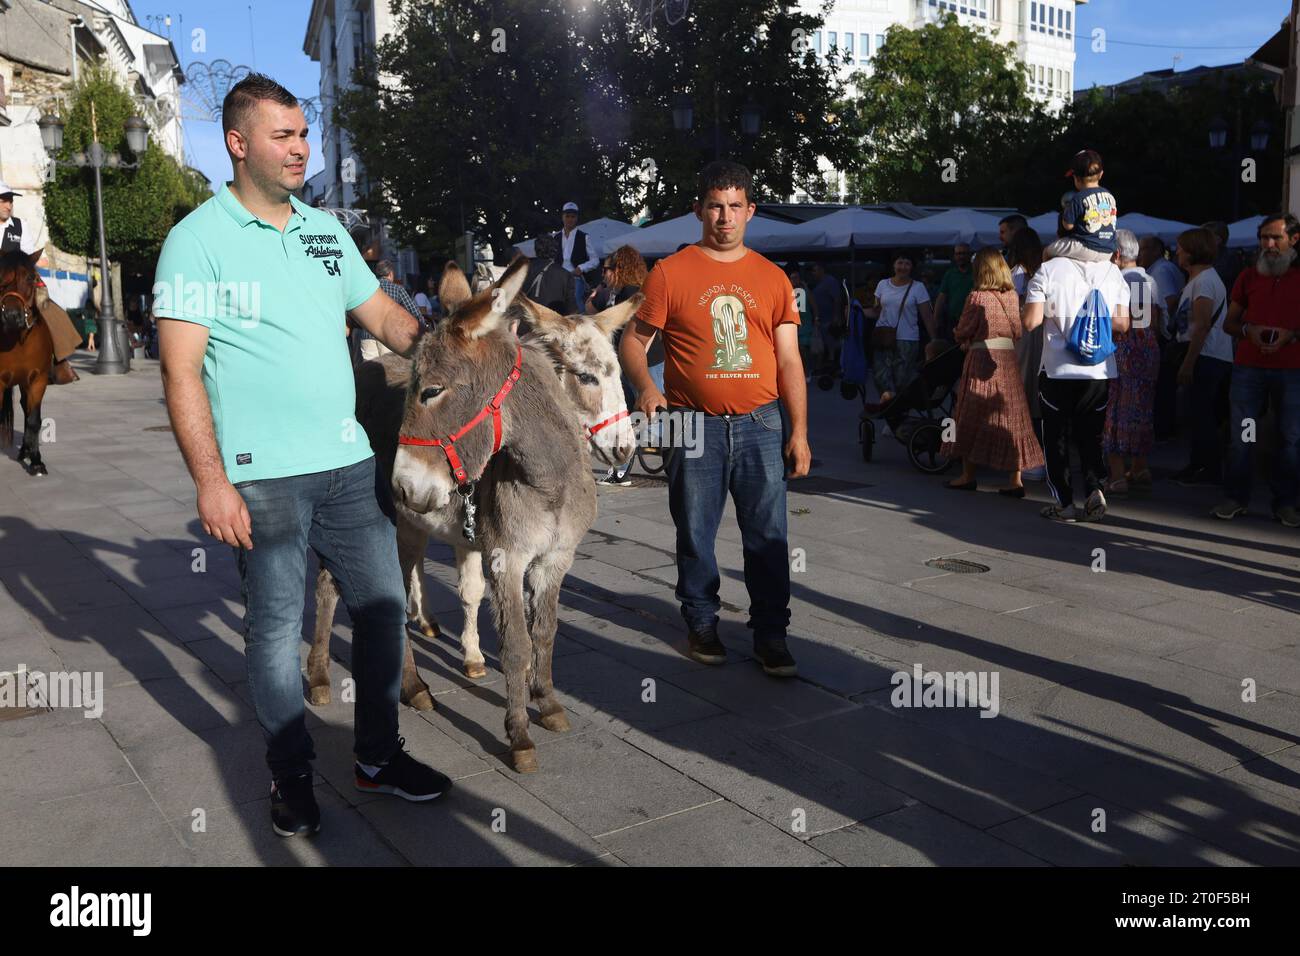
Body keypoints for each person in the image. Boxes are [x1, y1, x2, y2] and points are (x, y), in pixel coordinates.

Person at [153, 74, 450, 839]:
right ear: (237, 143)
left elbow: (384, 315)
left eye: (302, 134)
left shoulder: (324, 231)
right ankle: (290, 773)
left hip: (348, 465)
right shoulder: (197, 242)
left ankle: (377, 757)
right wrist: (210, 481)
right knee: (276, 634)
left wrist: (449, 350)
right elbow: (180, 369)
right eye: (282, 136)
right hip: (261, 478)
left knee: (384, 610)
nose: (299, 148)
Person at [619, 160, 810, 677]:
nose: (724, 217)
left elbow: (790, 359)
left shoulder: (773, 278)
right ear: (698, 210)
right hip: (692, 422)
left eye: (734, 207)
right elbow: (632, 341)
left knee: (767, 535)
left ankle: (771, 633)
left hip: (762, 423)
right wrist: (647, 386)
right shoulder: (670, 273)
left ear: (750, 211)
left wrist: (800, 432)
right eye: (714, 206)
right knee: (695, 533)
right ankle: (702, 621)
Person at [1023, 230, 1133, 522]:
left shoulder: (1048, 270)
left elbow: (1030, 321)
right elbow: (1123, 324)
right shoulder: (1113, 272)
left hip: (1057, 370)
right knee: (1091, 435)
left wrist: (1054, 310)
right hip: (1098, 371)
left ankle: (1065, 503)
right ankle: (1095, 488)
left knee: (1056, 438)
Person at [1214, 212, 1300, 527]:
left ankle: (1286, 504)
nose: (1268, 244)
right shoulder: (1248, 276)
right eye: (1264, 237)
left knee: (1290, 438)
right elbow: (1229, 323)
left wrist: (1292, 336)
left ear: (1294, 239)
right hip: (1249, 368)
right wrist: (1249, 330)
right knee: (1241, 436)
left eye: (1275, 238)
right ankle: (1235, 498)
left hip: (1293, 370)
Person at [939, 248, 1043, 494]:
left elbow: (962, 330)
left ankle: (967, 475)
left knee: (968, 414)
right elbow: (1018, 331)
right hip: (1007, 362)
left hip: (981, 359)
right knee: (1012, 418)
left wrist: (965, 338)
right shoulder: (1011, 297)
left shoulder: (977, 297)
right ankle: (1015, 480)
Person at [1170, 227, 1233, 488]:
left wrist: (1188, 362)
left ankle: (1207, 467)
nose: (1177, 252)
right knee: (1198, 414)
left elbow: (1203, 325)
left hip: (1206, 355)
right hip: (1205, 354)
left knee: (1201, 413)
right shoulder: (1199, 280)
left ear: (1193, 252)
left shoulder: (1205, 281)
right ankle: (1199, 464)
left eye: (1182, 248)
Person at [0, 181, 79, 384]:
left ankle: (60, 361)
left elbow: (28, 254)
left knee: (48, 306)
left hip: (18, 280)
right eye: (4, 201)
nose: (8, 205)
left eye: (10, 201)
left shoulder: (19, 226)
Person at [1102, 229, 1162, 494]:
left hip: (1122, 346)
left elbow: (1116, 320)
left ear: (1116, 254)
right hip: (1148, 346)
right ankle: (1139, 466)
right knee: (1142, 410)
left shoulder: (1115, 281)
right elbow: (1156, 320)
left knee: (1115, 411)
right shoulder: (1150, 279)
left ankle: (1116, 476)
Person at [597, 244, 654, 488]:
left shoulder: (630, 293)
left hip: (639, 363)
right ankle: (620, 469)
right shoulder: (625, 292)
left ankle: (621, 471)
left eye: (607, 269)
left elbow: (640, 334)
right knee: (638, 416)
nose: (604, 274)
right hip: (641, 362)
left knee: (634, 416)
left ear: (620, 269)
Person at [870, 250, 936, 405]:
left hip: (907, 340)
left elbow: (927, 316)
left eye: (907, 263)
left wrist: (934, 340)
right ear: (893, 265)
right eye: (900, 262)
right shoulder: (882, 285)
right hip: (883, 338)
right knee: (881, 378)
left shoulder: (918, 288)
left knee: (901, 381)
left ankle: (897, 417)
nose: (903, 266)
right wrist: (856, 310)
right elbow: (876, 311)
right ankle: (893, 416)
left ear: (912, 267)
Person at [1141, 234, 1188, 440]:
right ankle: (1165, 426)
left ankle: (1162, 429)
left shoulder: (1160, 271)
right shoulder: (1164, 268)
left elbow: (1169, 301)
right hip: (1171, 334)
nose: (1140, 254)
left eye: (1144, 249)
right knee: (1165, 386)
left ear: (1156, 251)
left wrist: (1160, 328)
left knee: (1162, 387)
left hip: (1165, 335)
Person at [1009, 227, 1047, 481]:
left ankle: (1029, 458)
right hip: (1043, 334)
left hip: (1024, 334)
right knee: (1037, 395)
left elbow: (1014, 303)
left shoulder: (1018, 273)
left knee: (1023, 394)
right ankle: (1038, 456)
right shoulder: (1045, 269)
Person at [1044, 149, 1117, 263]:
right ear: (1101, 174)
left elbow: (1068, 226)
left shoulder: (1078, 198)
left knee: (1047, 251)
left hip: (1084, 246)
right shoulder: (1110, 196)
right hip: (1108, 250)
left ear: (1076, 178)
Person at [357, 259, 424, 361]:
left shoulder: (367, 289)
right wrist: (423, 327)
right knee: (389, 371)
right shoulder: (398, 289)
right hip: (388, 336)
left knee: (369, 371)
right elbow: (414, 311)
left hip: (367, 334)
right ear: (391, 274)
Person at [932, 243, 973, 356]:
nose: (961, 256)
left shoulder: (977, 273)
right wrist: (936, 319)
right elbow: (941, 298)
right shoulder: (950, 274)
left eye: (964, 253)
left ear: (969, 255)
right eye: (958, 254)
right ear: (954, 256)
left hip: (973, 321)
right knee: (953, 353)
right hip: (954, 321)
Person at [557, 201, 599, 305]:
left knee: (575, 303)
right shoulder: (555, 237)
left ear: (576, 218)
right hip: (558, 278)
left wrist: (581, 268)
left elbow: (595, 260)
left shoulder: (584, 237)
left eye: (573, 216)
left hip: (575, 278)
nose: (570, 219)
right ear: (562, 217)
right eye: (567, 216)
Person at [527, 232, 577, 315]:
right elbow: (572, 309)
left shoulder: (524, 270)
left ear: (536, 250)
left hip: (527, 321)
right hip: (554, 323)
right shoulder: (566, 275)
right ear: (555, 251)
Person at [810, 262, 845, 371]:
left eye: (814, 270)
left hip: (830, 319)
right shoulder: (817, 283)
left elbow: (837, 299)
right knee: (823, 342)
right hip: (821, 319)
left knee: (831, 342)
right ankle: (825, 365)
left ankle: (833, 365)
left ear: (821, 270)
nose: (813, 273)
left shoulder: (830, 281)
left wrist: (836, 316)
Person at [788, 265, 815, 380]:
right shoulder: (788, 291)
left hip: (805, 324)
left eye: (796, 277)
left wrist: (817, 319)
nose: (795, 280)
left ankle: (807, 371)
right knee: (795, 351)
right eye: (792, 278)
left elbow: (813, 305)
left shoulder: (805, 290)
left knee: (804, 349)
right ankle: (798, 372)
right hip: (793, 326)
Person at [1202, 220, 1243, 295]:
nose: (1201, 239)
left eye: (1205, 236)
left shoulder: (1230, 257)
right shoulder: (1206, 256)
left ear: (1218, 240)